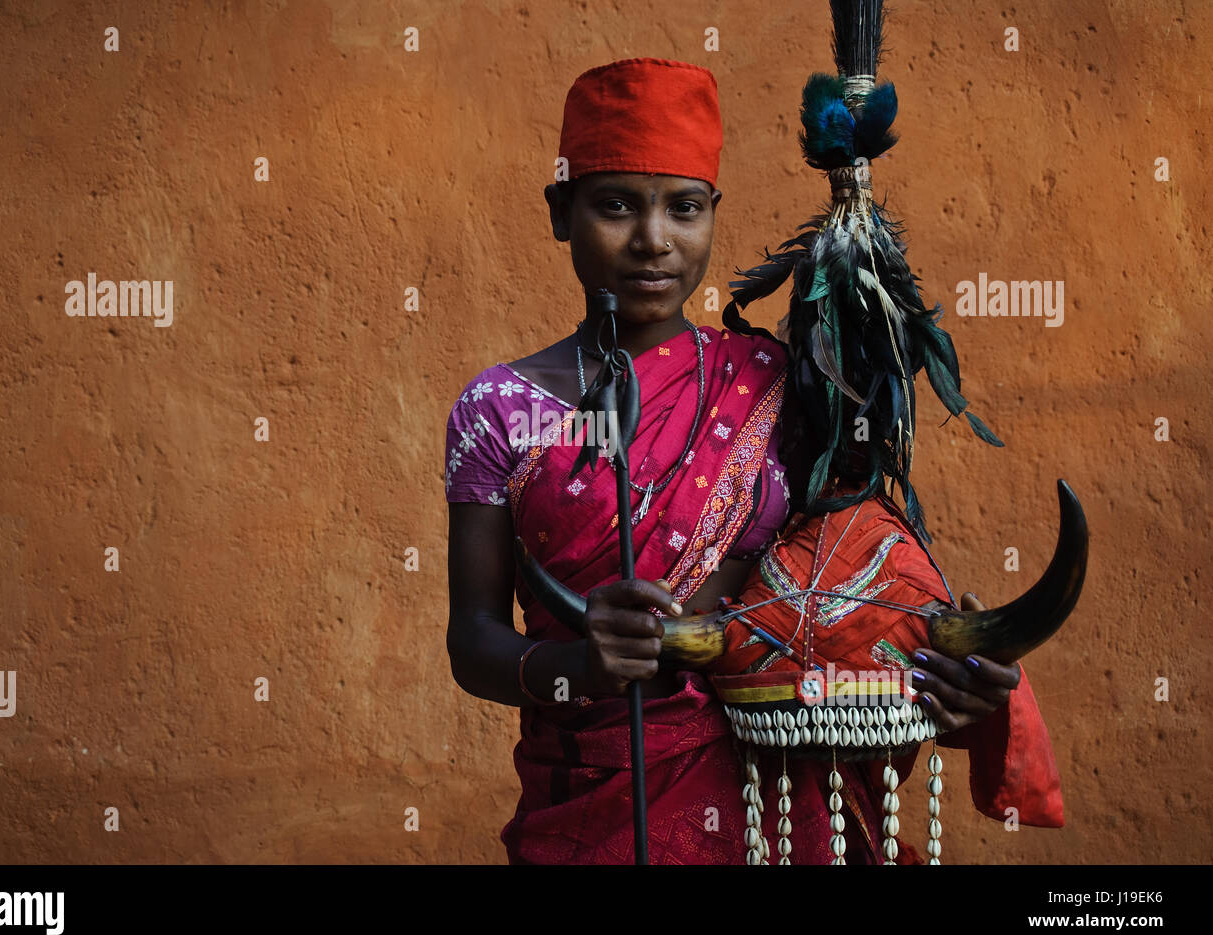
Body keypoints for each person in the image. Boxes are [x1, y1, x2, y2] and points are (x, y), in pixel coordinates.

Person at [443, 57, 1045, 865]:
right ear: (562, 211)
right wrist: (578, 664)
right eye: (614, 204)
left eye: (683, 208)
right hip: (587, 815)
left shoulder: (779, 386)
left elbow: (848, 596)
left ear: (712, 215)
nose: (653, 239)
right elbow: (474, 639)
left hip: (773, 813)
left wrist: (951, 679)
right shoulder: (499, 410)